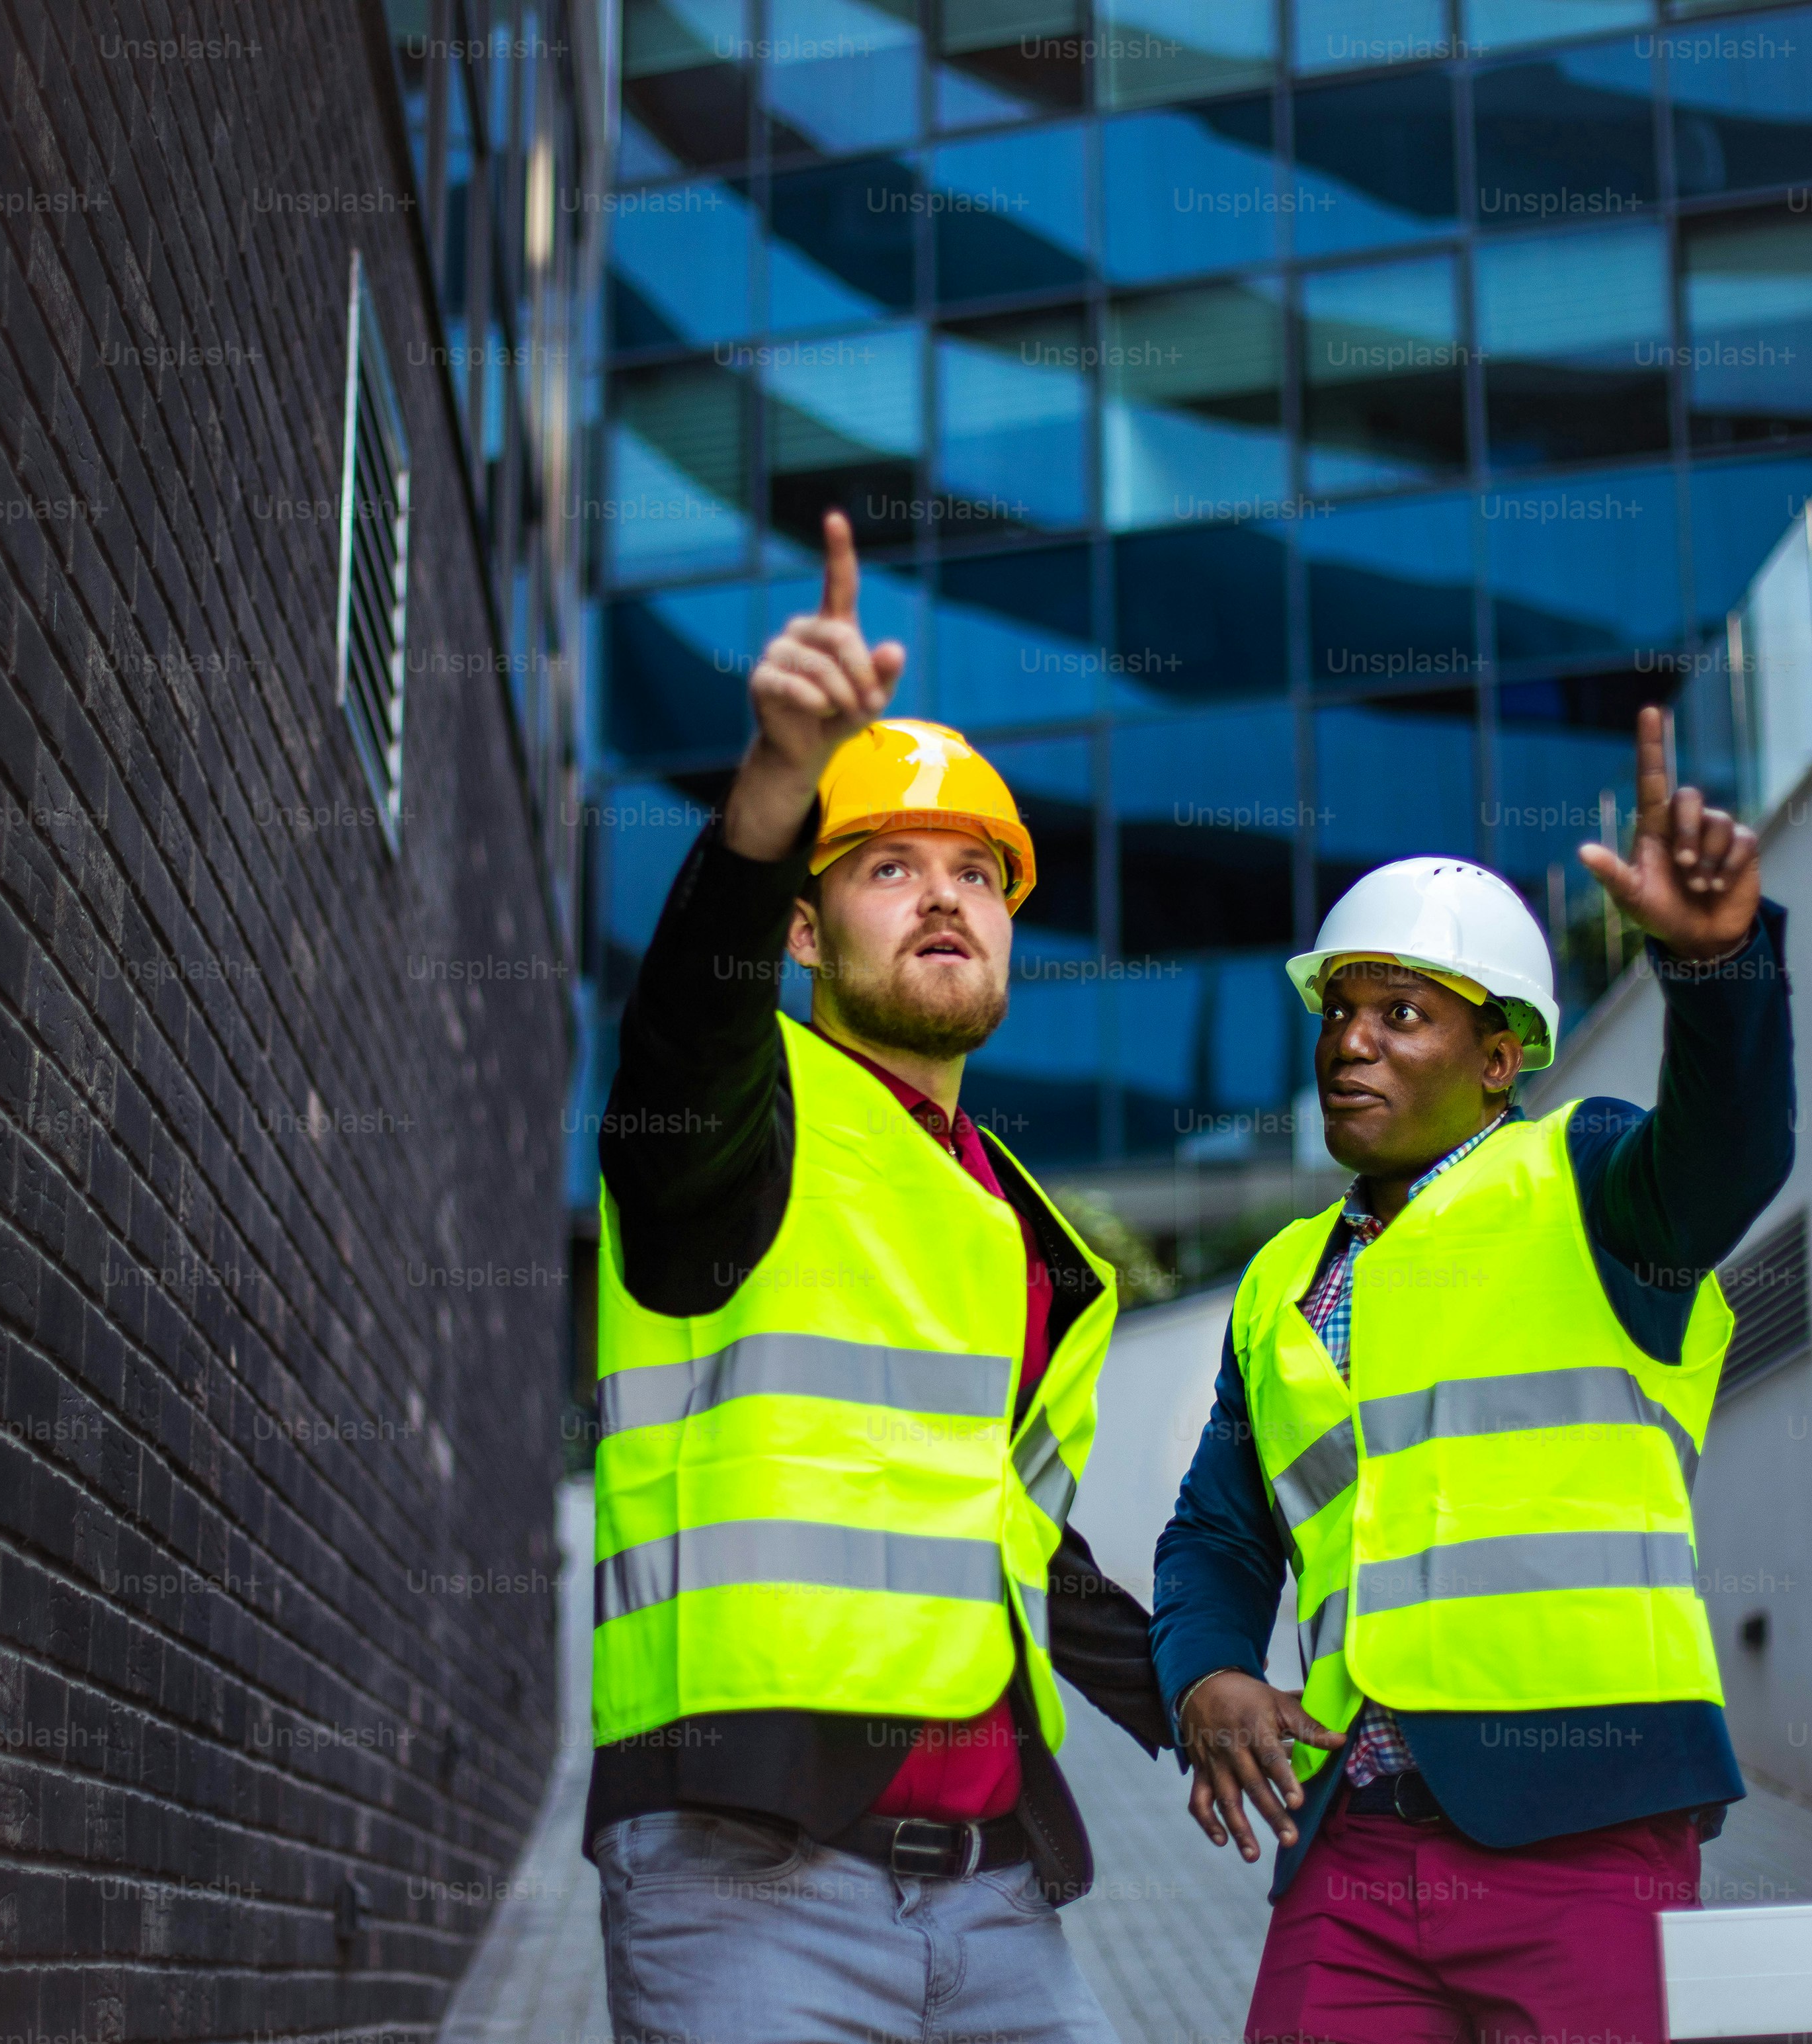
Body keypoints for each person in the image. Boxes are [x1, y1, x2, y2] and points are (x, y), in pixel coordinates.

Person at [587, 511, 1169, 2044]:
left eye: (976, 872)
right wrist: (776, 782)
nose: (940, 896)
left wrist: (1201, 1695)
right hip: (744, 1883)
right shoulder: (741, 1116)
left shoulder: (1013, 1220)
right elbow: (683, 1022)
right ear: (798, 927)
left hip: (994, 1900)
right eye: (887, 866)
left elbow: (1011, 1539)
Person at [1151, 707, 1795, 2044]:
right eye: (1338, 1011)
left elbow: (1727, 1158)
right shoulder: (1278, 1281)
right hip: (1351, 1846)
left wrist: (1717, 966)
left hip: (1586, 1829)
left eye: (1402, 1013)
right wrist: (1207, 1671)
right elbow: (1217, 1532)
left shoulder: (1593, 1183)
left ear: (1498, 1060)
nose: (1348, 1042)